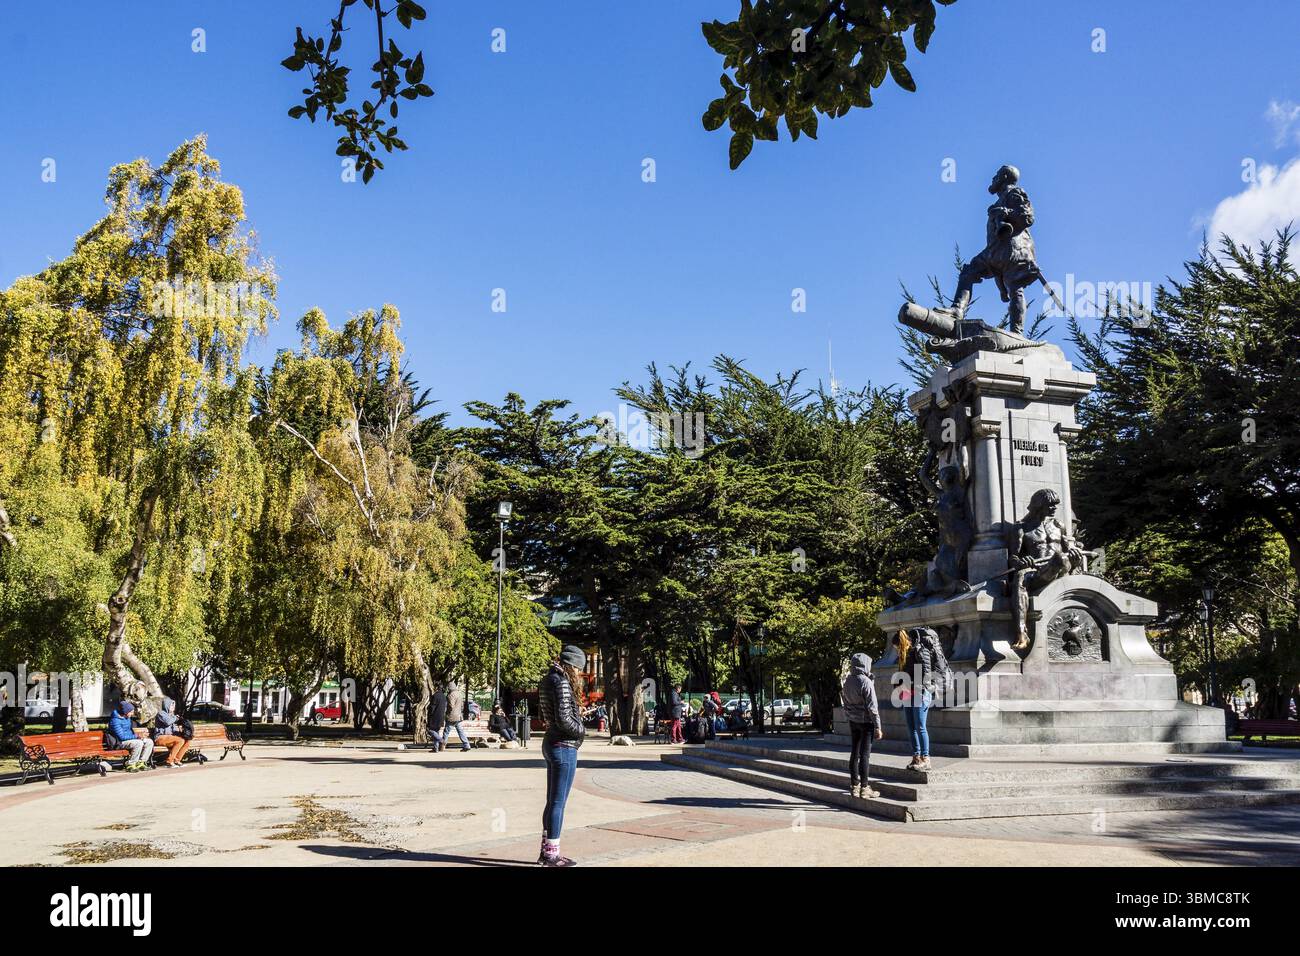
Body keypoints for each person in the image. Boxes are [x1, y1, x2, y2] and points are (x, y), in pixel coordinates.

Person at [538, 645, 587, 867]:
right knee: (559, 803)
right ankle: (552, 855)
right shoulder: (563, 682)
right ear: (572, 665)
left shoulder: (549, 679)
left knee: (552, 802)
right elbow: (565, 719)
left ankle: (545, 850)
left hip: (551, 742)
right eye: (579, 669)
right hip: (564, 746)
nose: (579, 674)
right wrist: (582, 729)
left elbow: (549, 714)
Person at [897, 627, 946, 772]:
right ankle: (916, 756)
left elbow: (926, 673)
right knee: (911, 727)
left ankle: (926, 758)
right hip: (908, 693)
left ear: (903, 642)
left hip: (921, 692)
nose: (896, 650)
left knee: (920, 726)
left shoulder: (920, 651)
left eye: (896, 646)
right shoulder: (903, 654)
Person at [841, 653, 883, 798]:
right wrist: (878, 726)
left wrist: (850, 716)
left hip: (854, 721)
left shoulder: (848, 681)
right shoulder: (865, 681)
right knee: (865, 755)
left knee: (854, 753)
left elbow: (845, 702)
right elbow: (873, 707)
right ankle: (865, 787)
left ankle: (854, 785)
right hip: (866, 722)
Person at [106, 701, 154, 772]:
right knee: (138, 743)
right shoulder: (115, 721)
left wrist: (140, 736)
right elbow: (122, 737)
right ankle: (131, 764)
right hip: (119, 743)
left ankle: (141, 762)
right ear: (125, 711)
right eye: (131, 712)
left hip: (129, 740)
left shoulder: (127, 718)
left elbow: (129, 732)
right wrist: (137, 736)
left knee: (149, 742)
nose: (132, 713)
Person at [152, 697, 192, 768]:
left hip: (170, 738)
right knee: (180, 740)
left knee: (187, 741)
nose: (173, 707)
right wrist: (176, 718)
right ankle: (169, 762)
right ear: (166, 705)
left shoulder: (172, 716)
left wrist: (181, 731)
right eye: (171, 705)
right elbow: (168, 722)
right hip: (160, 737)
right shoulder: (161, 714)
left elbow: (173, 727)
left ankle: (177, 760)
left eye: (174, 705)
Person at [428, 687, 448, 753]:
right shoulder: (444, 696)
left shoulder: (435, 696)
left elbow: (432, 707)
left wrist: (429, 713)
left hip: (434, 716)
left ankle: (441, 740)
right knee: (436, 731)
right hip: (441, 716)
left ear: (436, 688)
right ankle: (435, 748)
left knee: (431, 730)